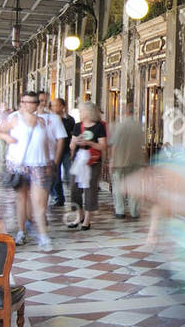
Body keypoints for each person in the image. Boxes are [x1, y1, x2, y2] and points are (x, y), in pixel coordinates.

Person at [0, 90, 59, 251]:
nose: (26, 105)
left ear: (37, 105)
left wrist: (48, 160)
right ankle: (22, 231)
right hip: (18, 165)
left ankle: (43, 236)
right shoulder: (15, 119)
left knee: (39, 203)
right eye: (23, 102)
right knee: (21, 199)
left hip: (39, 165)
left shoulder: (42, 122)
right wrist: (7, 138)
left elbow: (44, 143)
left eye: (30, 102)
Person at [67, 100, 106, 231]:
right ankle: (80, 215)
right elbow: (71, 145)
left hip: (93, 161)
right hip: (79, 161)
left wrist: (90, 143)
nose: (81, 113)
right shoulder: (78, 126)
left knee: (90, 190)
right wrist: (76, 142)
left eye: (82, 111)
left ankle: (87, 219)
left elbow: (103, 146)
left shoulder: (99, 127)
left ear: (89, 112)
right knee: (74, 189)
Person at [108, 106, 146, 219]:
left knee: (118, 186)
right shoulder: (139, 127)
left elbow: (114, 145)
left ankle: (120, 211)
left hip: (120, 162)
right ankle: (135, 211)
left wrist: (111, 161)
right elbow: (142, 145)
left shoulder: (118, 126)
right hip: (136, 161)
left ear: (124, 113)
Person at [49, 98, 76, 207]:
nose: (54, 108)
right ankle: (58, 197)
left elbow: (72, 135)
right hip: (53, 151)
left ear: (62, 107)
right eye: (52, 105)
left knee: (71, 174)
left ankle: (75, 197)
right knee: (55, 175)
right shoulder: (49, 119)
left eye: (56, 105)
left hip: (66, 150)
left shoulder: (69, 120)